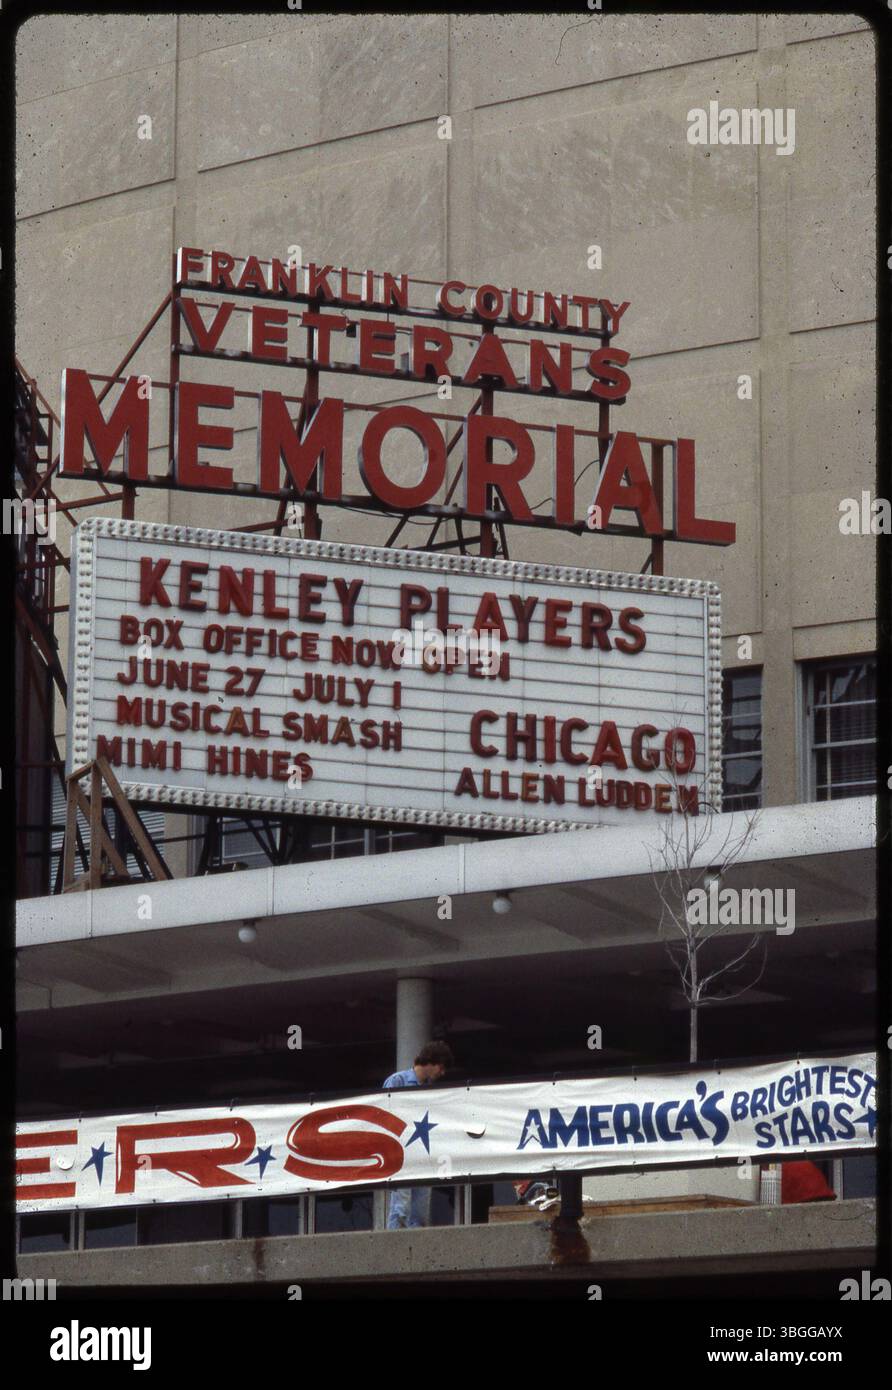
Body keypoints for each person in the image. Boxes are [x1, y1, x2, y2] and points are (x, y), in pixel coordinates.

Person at [383, 1041, 454, 1229]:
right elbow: (384, 1116)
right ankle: (394, 1250)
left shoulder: (429, 1089)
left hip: (423, 1155)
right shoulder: (397, 1081)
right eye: (441, 1066)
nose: (442, 1072)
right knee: (401, 1209)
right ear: (431, 1062)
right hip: (401, 1155)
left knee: (420, 1214)